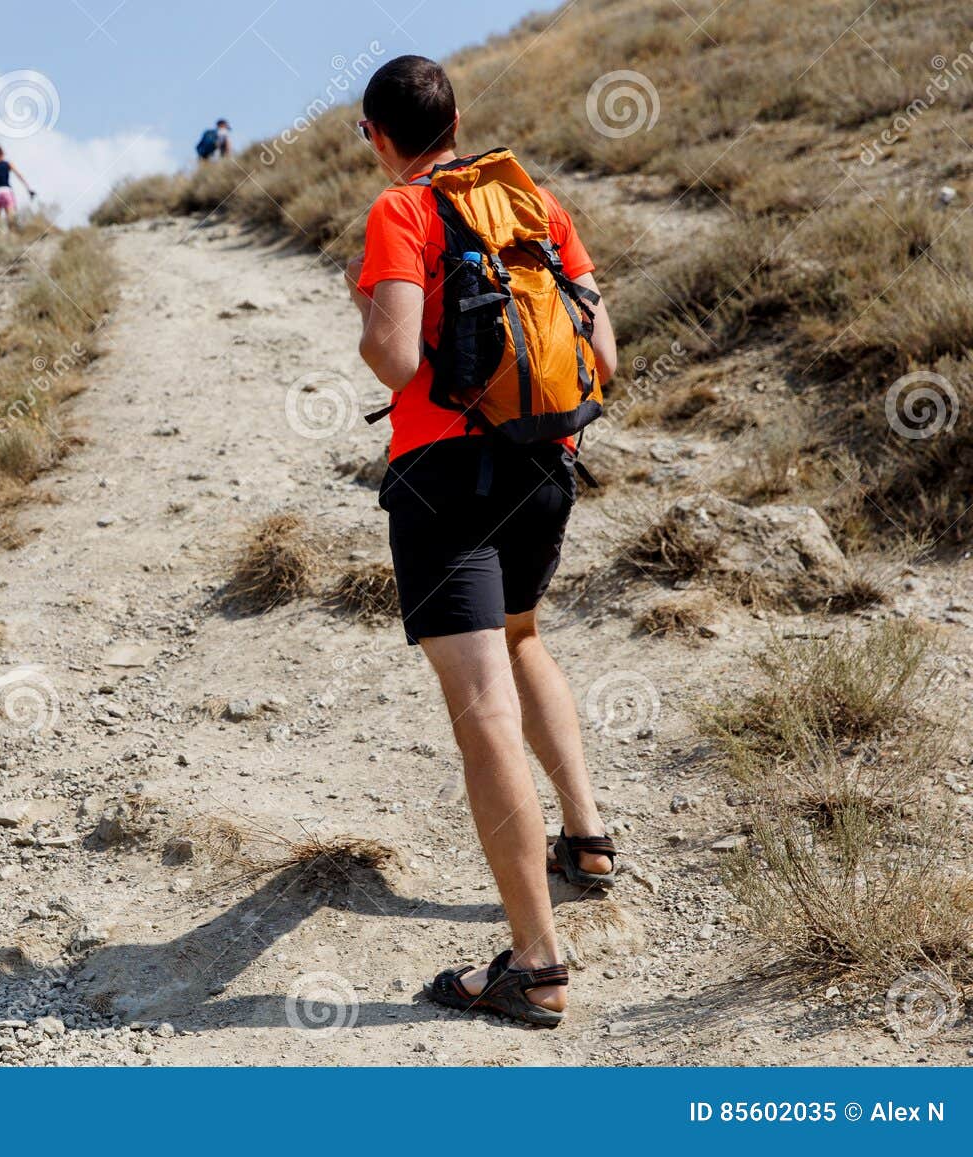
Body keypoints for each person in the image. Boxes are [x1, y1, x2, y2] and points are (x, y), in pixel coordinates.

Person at [345, 54, 620, 1028]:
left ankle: (535, 964)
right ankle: (585, 840)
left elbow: (391, 352)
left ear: (377, 137)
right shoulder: (534, 205)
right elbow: (605, 354)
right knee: (523, 636)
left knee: (479, 707)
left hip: (443, 481)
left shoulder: (399, 213)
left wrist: (372, 305)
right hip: (543, 467)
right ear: (457, 119)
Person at [0, 142, 33, 229]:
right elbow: (19, 176)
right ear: (2, 153)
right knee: (11, 218)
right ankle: (12, 237)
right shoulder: (8, 164)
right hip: (6, 191)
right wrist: (28, 188)